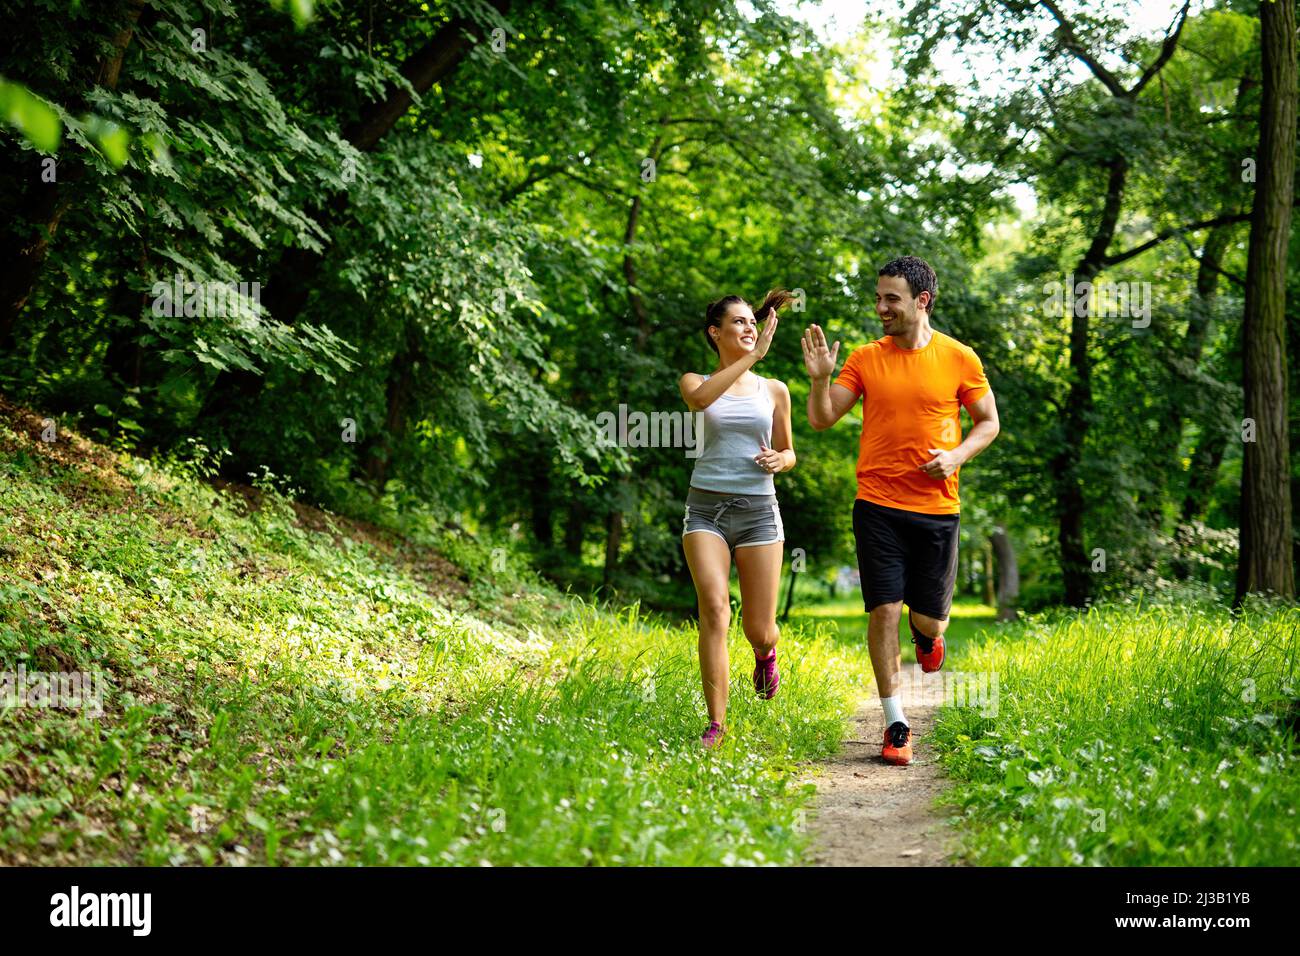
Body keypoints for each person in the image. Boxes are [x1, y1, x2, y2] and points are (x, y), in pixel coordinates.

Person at [802, 256, 999, 766]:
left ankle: (926, 633)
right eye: (878, 297)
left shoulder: (960, 358)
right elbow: (823, 418)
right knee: (883, 609)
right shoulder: (867, 358)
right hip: (877, 505)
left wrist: (956, 456)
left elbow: (988, 422)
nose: (881, 307)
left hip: (937, 509)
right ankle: (895, 723)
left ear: (921, 301)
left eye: (891, 298)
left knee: (928, 621)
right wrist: (820, 379)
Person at [679, 290, 796, 749]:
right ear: (716, 332)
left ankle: (766, 653)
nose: (749, 328)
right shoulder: (696, 380)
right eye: (739, 323)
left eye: (753, 322)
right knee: (714, 609)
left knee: (758, 628)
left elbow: (790, 451)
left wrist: (779, 461)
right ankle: (716, 724)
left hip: (758, 514)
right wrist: (753, 359)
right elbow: (702, 401)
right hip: (705, 509)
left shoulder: (775, 390)